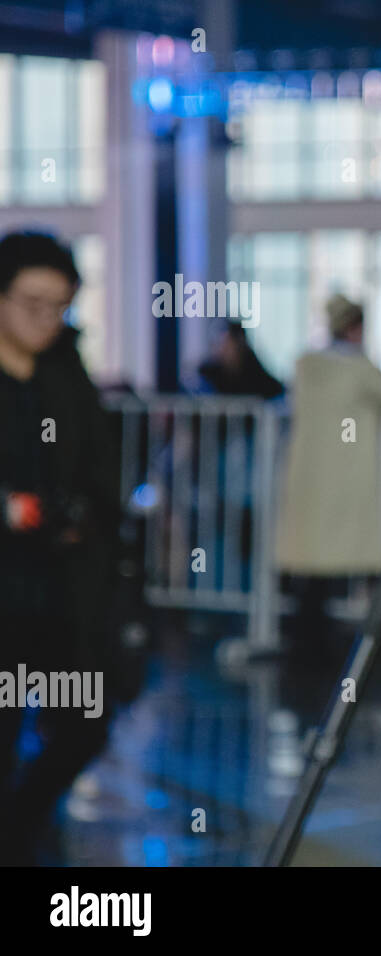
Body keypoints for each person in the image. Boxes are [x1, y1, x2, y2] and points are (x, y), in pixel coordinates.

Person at [0, 231, 121, 864]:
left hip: (61, 590)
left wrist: (82, 513)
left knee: (82, 727)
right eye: (31, 303)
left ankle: (21, 831)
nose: (46, 320)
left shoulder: (65, 371)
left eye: (59, 305)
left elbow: (101, 468)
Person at [274, 293, 381, 715]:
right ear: (356, 329)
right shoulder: (358, 370)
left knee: (310, 574)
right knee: (355, 566)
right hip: (346, 485)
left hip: (308, 480)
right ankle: (361, 652)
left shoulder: (306, 366)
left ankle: (303, 648)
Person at [197, 320, 285, 399]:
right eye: (220, 344)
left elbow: (274, 388)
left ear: (240, 344)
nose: (222, 349)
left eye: (228, 344)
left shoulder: (253, 368)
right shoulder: (208, 371)